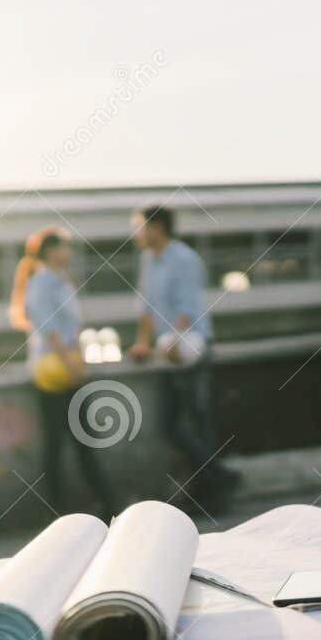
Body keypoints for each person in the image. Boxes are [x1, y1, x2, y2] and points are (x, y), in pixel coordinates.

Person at [128, 205, 239, 513]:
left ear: (158, 227)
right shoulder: (148, 260)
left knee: (196, 422)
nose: (136, 234)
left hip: (188, 348)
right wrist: (141, 344)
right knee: (170, 425)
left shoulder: (184, 258)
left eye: (140, 227)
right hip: (167, 352)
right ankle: (220, 477)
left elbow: (188, 307)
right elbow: (145, 308)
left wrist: (173, 341)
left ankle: (212, 490)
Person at [9, 228, 119, 517]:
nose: (68, 253)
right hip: (54, 368)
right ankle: (60, 509)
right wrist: (70, 362)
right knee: (58, 441)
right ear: (50, 251)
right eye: (64, 248)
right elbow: (49, 328)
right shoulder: (42, 282)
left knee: (79, 438)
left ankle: (105, 504)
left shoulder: (59, 281)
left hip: (66, 364)